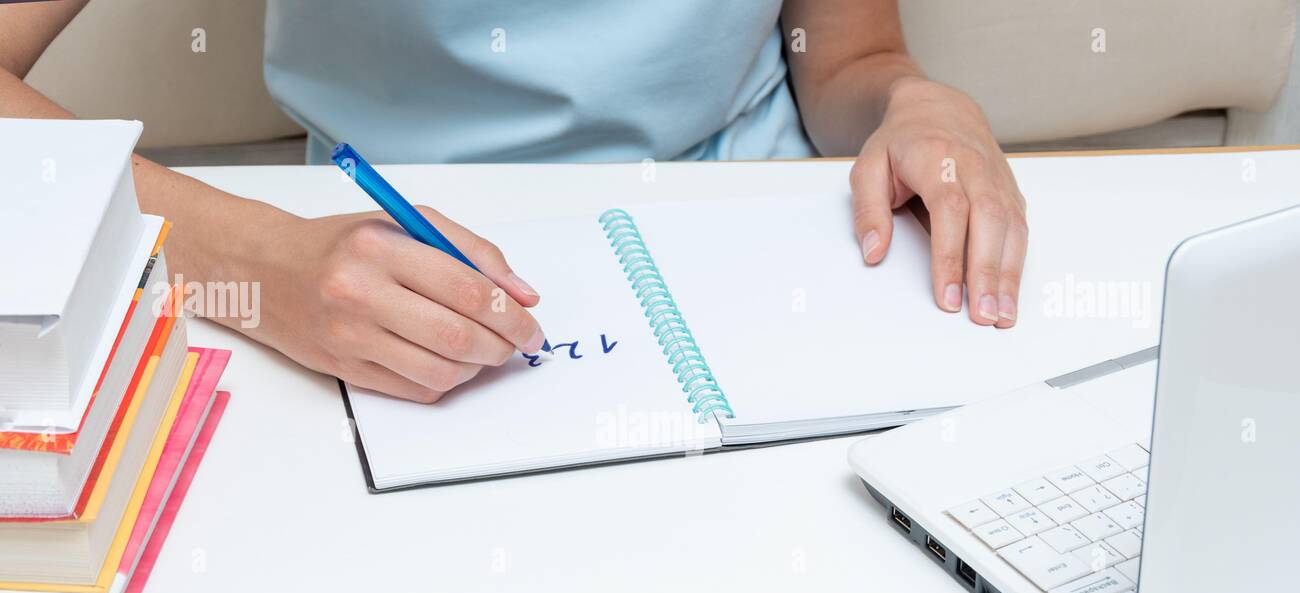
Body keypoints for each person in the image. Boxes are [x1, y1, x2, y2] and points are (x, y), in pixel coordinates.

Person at [0, 0, 1027, 404]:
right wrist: (258, 267)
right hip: (381, 282)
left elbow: (845, 55)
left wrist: (913, 101)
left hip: (759, 251)